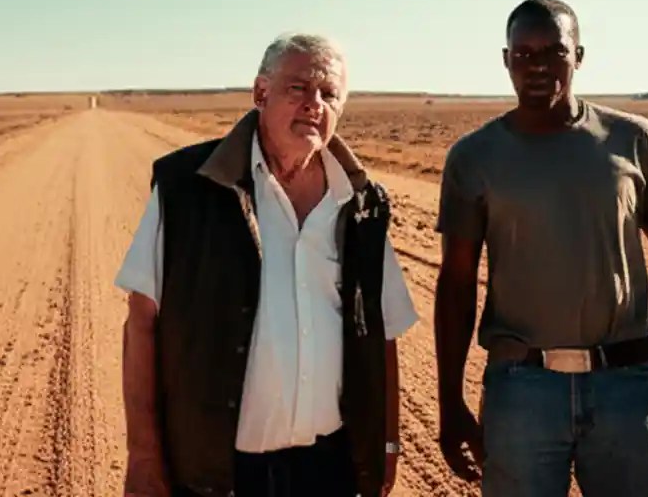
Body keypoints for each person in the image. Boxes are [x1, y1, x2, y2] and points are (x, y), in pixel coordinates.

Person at [433, 0, 648, 496]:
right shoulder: (474, 157)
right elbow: (457, 284)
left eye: (554, 51)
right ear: (505, 60)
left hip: (627, 386)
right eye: (523, 54)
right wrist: (449, 404)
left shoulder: (633, 141)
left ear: (579, 56)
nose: (538, 66)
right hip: (521, 391)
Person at [116, 33, 420, 497]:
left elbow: (383, 334)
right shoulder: (188, 189)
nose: (314, 104)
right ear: (261, 93)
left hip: (327, 469)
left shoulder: (361, 205)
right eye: (298, 88)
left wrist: (389, 444)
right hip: (221, 473)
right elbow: (141, 324)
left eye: (329, 94)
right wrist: (143, 456)